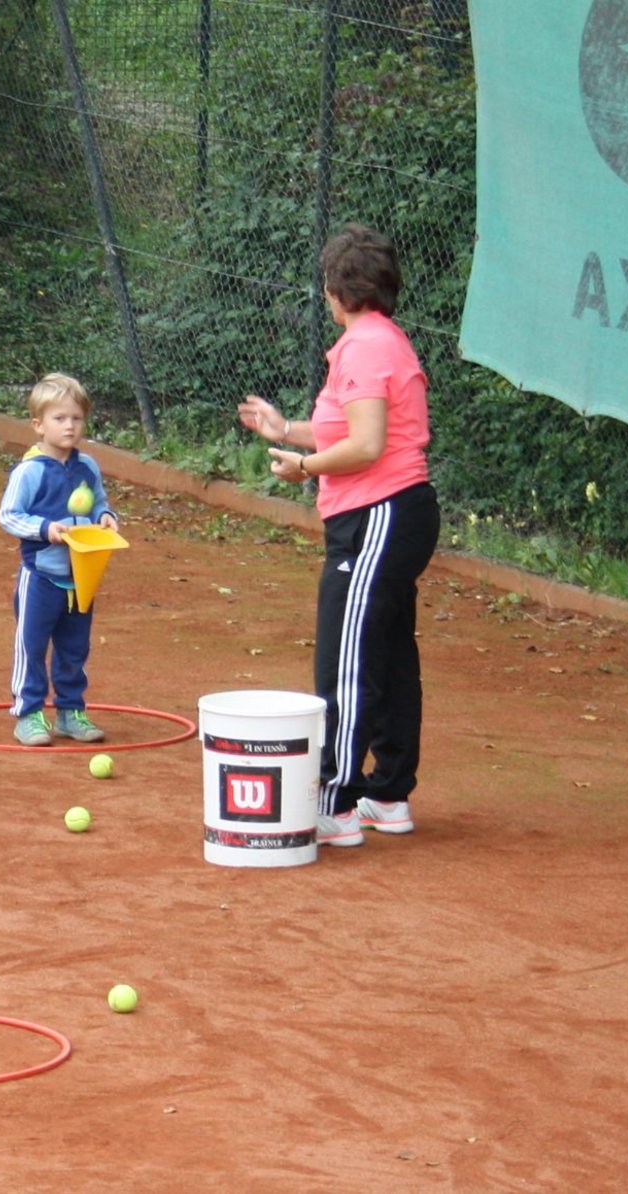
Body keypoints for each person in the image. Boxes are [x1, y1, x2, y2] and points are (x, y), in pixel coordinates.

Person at [237, 223, 439, 848]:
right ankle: (387, 794)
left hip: (377, 514)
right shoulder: (380, 340)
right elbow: (351, 430)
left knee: (346, 659)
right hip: (394, 513)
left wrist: (304, 467)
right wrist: (286, 431)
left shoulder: (365, 347)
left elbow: (367, 446)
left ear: (336, 288)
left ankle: (335, 802)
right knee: (387, 652)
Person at [0, 373, 120, 747]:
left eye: (76, 418)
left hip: (82, 575)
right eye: (59, 418)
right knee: (32, 644)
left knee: (75, 647)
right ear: (38, 425)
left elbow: (100, 502)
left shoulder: (88, 467)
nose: (69, 426)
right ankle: (29, 713)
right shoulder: (30, 471)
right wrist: (44, 528)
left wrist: (107, 516)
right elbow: (8, 515)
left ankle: (70, 712)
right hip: (41, 576)